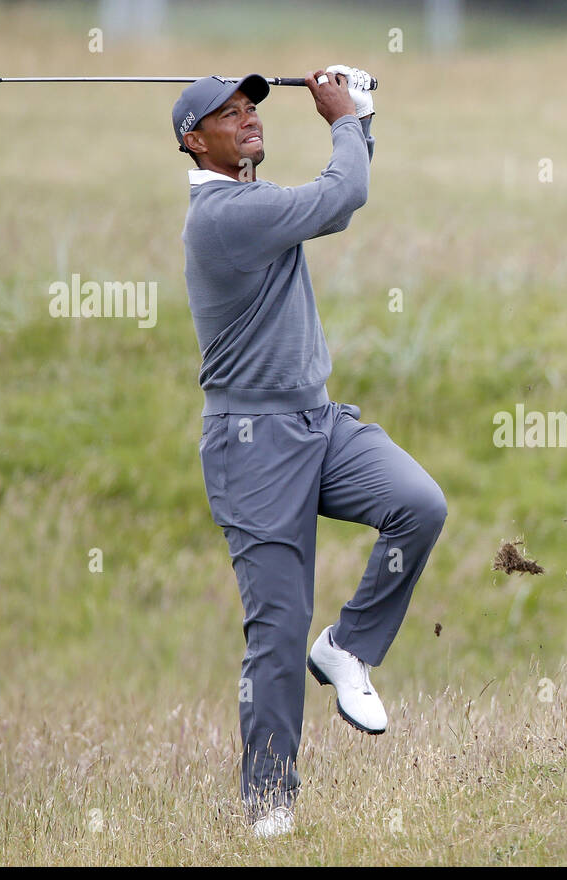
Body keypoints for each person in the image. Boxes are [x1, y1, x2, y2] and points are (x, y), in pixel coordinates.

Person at [173, 69, 447, 838]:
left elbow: (340, 189)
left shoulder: (255, 204)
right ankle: (269, 801)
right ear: (195, 142)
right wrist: (344, 116)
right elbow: (339, 197)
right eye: (228, 114)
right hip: (251, 448)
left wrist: (361, 118)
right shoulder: (222, 215)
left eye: (251, 107)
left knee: (419, 505)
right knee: (277, 632)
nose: (249, 119)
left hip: (316, 424)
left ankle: (349, 644)